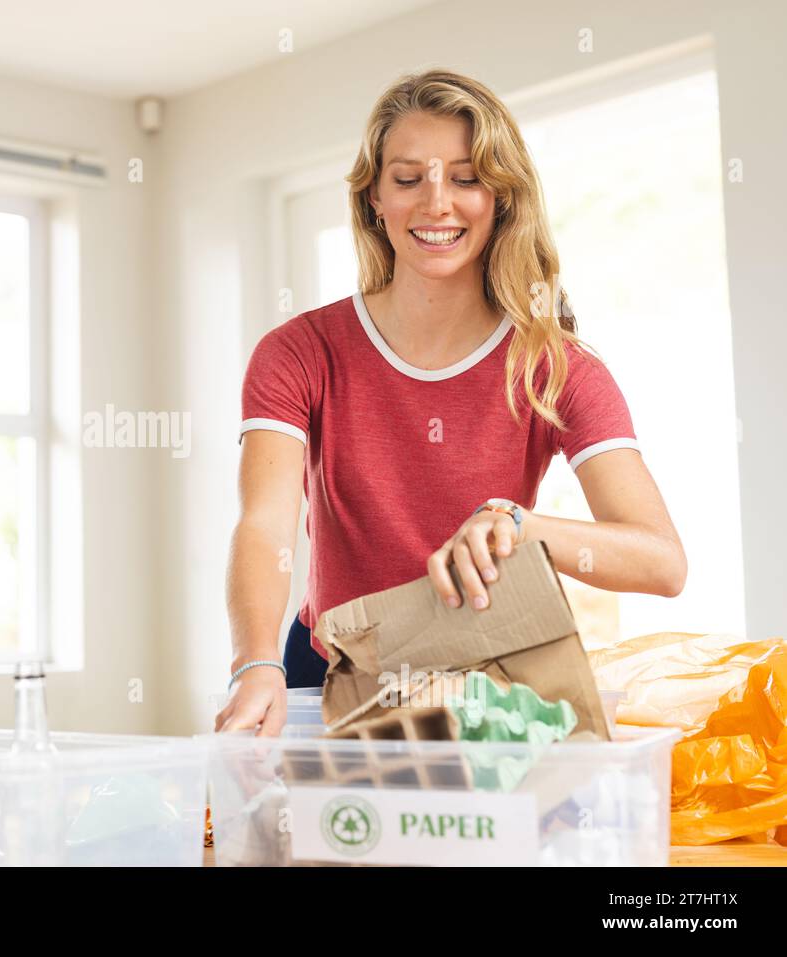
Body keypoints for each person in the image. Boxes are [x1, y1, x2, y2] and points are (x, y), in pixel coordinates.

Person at [216, 70, 686, 736]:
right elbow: (264, 526)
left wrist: (518, 526)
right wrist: (253, 661)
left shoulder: (557, 368)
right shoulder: (299, 352)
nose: (437, 203)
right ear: (375, 197)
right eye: (408, 180)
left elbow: (661, 561)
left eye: (466, 178)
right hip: (323, 672)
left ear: (501, 197)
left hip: (484, 691)